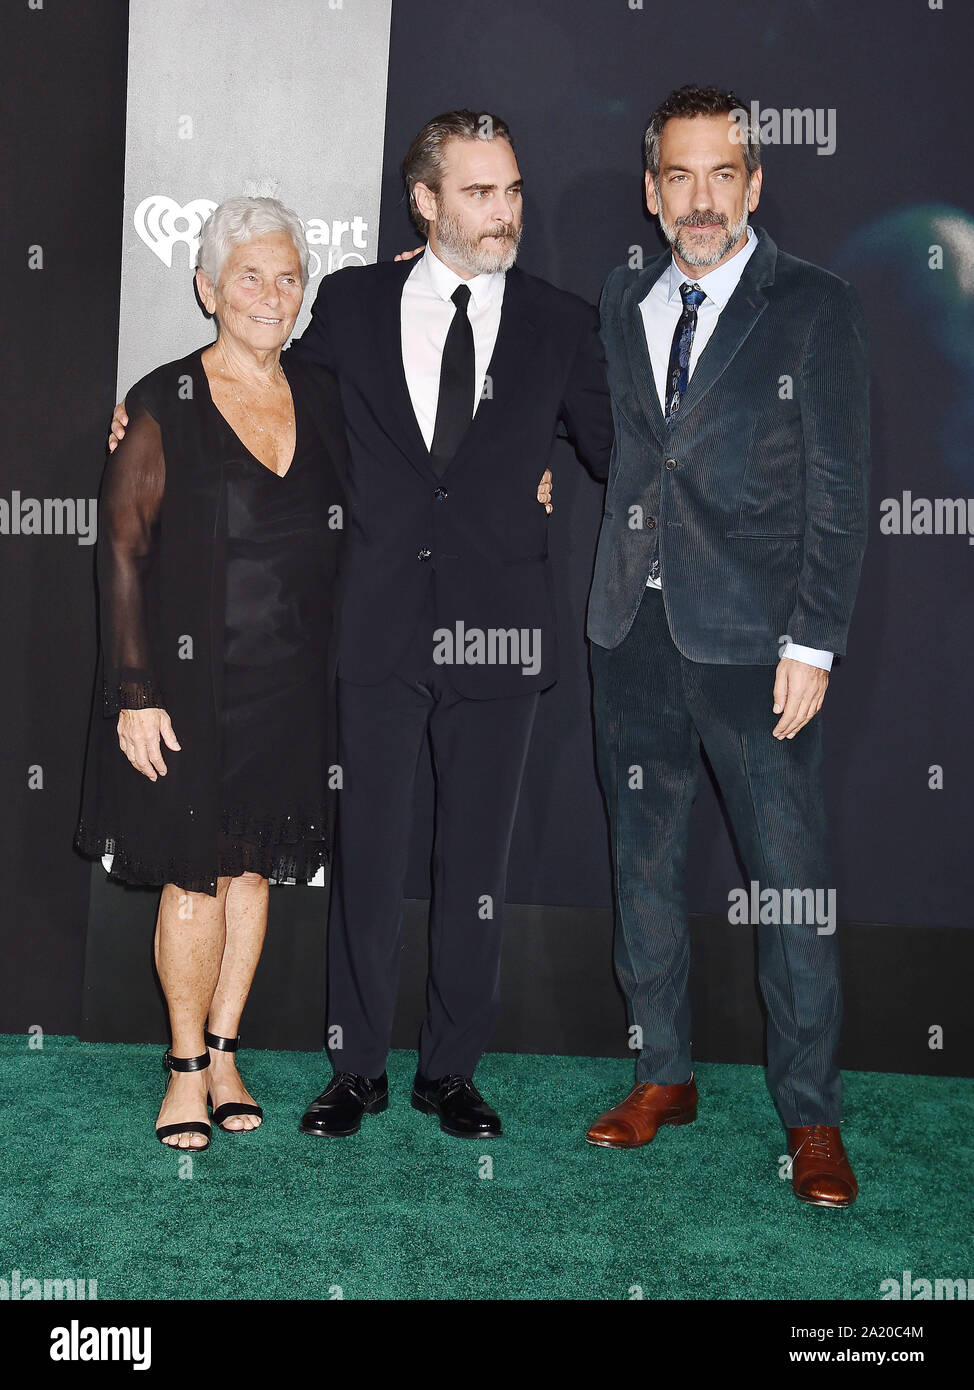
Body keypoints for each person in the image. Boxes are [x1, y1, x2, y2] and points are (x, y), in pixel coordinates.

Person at [285, 110, 613, 1139]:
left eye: (511, 189)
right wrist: (154, 411)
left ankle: (450, 1070)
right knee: (367, 858)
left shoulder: (562, 322)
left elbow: (626, 452)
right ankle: (355, 1069)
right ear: (423, 201)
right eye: (478, 191)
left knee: (475, 866)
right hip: (374, 626)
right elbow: (271, 405)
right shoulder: (349, 300)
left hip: (501, 631)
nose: (503, 210)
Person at [584, 86, 870, 1207]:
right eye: (678, 177)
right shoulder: (619, 300)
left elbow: (842, 488)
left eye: (721, 176)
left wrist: (816, 639)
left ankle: (810, 1116)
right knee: (641, 868)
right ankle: (661, 1075)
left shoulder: (814, 305)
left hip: (759, 645)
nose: (699, 200)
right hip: (630, 632)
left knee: (789, 885)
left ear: (751, 185)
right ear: (651, 193)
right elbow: (617, 438)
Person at [79, 196, 348, 1150]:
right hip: (188, 691)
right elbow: (120, 549)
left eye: (287, 278)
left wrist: (527, 478)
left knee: (253, 872)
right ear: (206, 288)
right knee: (192, 880)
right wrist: (133, 693)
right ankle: (186, 1068)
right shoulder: (161, 400)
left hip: (291, 688)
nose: (271, 295)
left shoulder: (321, 393)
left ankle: (229, 1049)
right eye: (249, 277)